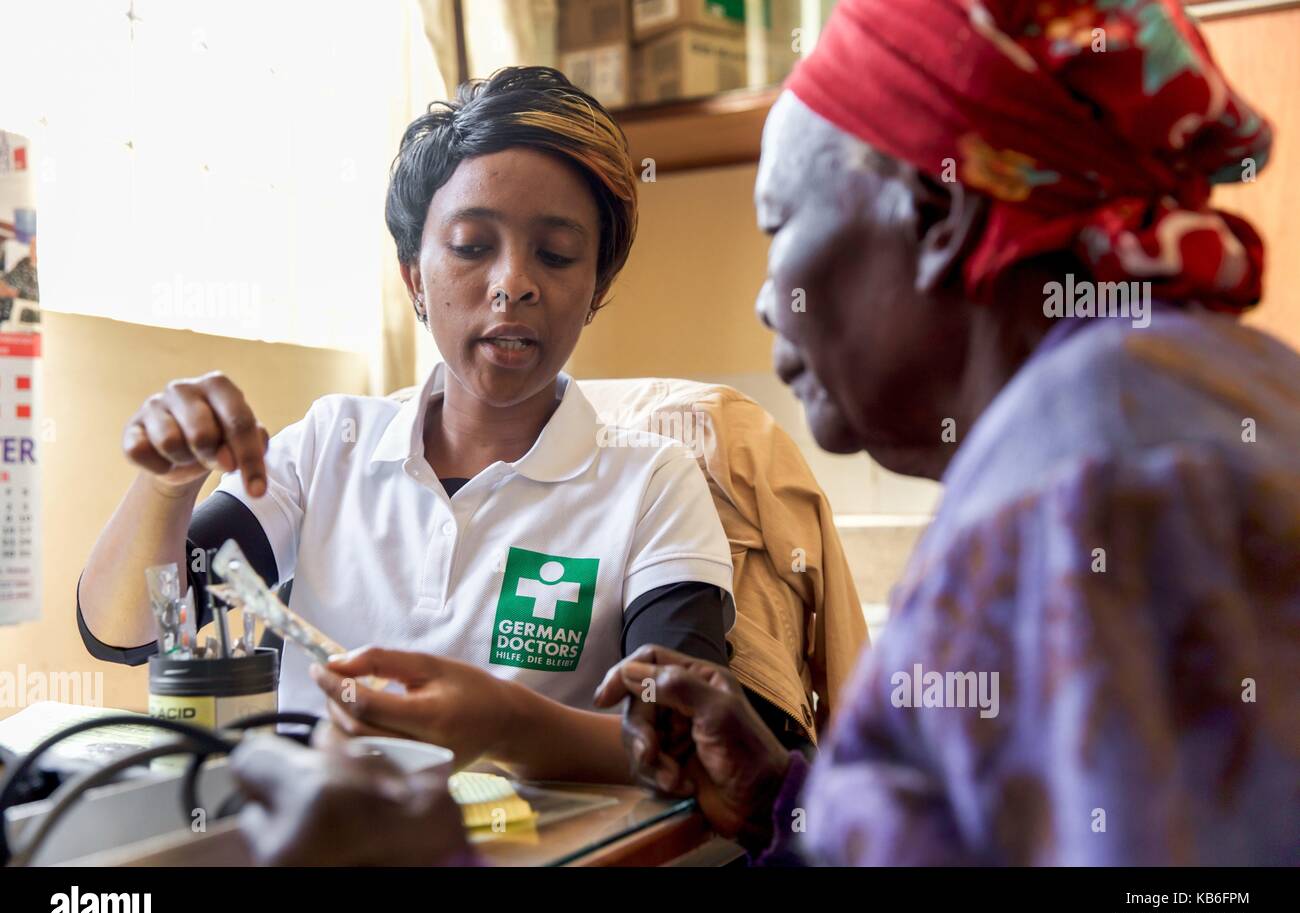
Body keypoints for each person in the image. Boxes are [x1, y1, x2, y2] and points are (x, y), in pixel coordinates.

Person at [233, 0, 1300, 866]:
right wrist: (778, 801)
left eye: (781, 230)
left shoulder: (1103, 486)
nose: (762, 299)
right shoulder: (1137, 414)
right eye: (470, 247)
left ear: (939, 221)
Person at [77, 67, 736, 784]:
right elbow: (124, 633)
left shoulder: (652, 486)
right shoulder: (332, 447)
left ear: (597, 286)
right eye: (471, 246)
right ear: (414, 277)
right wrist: (168, 488)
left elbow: (687, 740)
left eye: (556, 254)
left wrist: (507, 727)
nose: (514, 282)